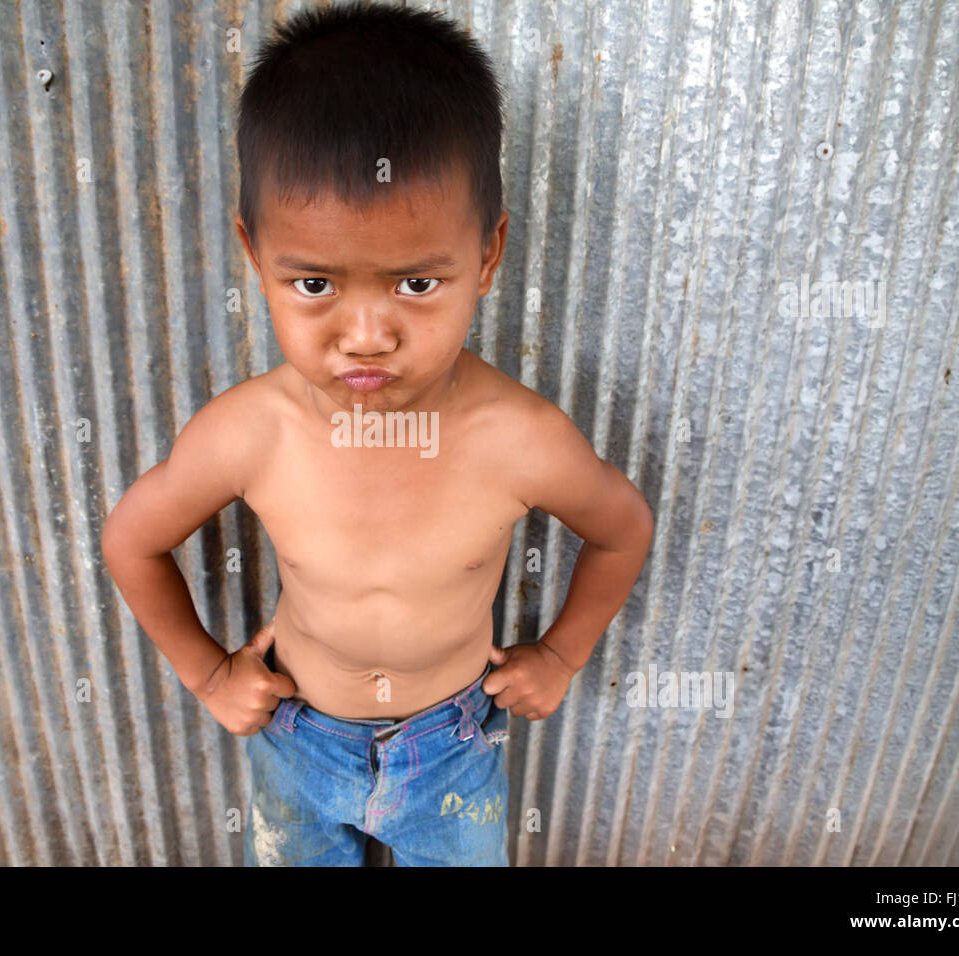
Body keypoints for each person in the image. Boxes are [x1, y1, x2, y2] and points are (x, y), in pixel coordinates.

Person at [101, 0, 653, 866]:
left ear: (488, 256)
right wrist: (208, 674)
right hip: (298, 742)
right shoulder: (254, 431)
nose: (367, 334)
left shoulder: (518, 437)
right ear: (257, 256)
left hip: (455, 754)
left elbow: (623, 527)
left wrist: (560, 655)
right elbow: (132, 540)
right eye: (315, 283)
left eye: (418, 284)